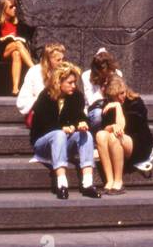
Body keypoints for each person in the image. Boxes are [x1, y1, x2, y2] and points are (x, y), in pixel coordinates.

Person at [29, 63, 98, 199]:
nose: (74, 85)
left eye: (75, 82)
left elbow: (80, 116)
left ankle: (88, 184)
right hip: (43, 142)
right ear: (58, 82)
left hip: (64, 141)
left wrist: (83, 123)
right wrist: (62, 128)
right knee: (59, 134)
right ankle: (62, 184)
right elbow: (42, 124)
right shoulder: (45, 96)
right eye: (70, 82)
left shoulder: (76, 96)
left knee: (87, 135)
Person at [96, 75, 153, 192]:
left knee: (114, 137)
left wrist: (118, 107)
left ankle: (118, 181)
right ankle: (109, 180)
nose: (121, 97)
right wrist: (112, 126)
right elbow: (106, 128)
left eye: (122, 92)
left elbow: (122, 129)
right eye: (117, 95)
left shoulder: (136, 102)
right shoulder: (108, 103)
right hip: (119, 142)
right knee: (100, 135)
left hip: (140, 144)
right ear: (111, 95)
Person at [0, 0, 35, 95]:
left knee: (16, 53)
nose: (14, 9)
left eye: (15, 6)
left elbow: (27, 36)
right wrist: (5, 38)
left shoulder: (18, 23)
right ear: (3, 9)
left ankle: (15, 88)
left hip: (13, 52)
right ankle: (35, 69)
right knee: (17, 44)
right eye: (11, 7)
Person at [16, 42, 66, 118]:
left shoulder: (64, 71)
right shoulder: (34, 71)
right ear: (48, 60)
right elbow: (23, 99)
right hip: (38, 111)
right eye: (58, 60)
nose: (61, 63)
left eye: (63, 59)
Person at [82, 48, 123, 131]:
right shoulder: (86, 75)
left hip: (113, 105)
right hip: (95, 108)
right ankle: (97, 138)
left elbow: (120, 96)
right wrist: (102, 89)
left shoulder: (117, 73)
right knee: (98, 115)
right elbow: (90, 102)